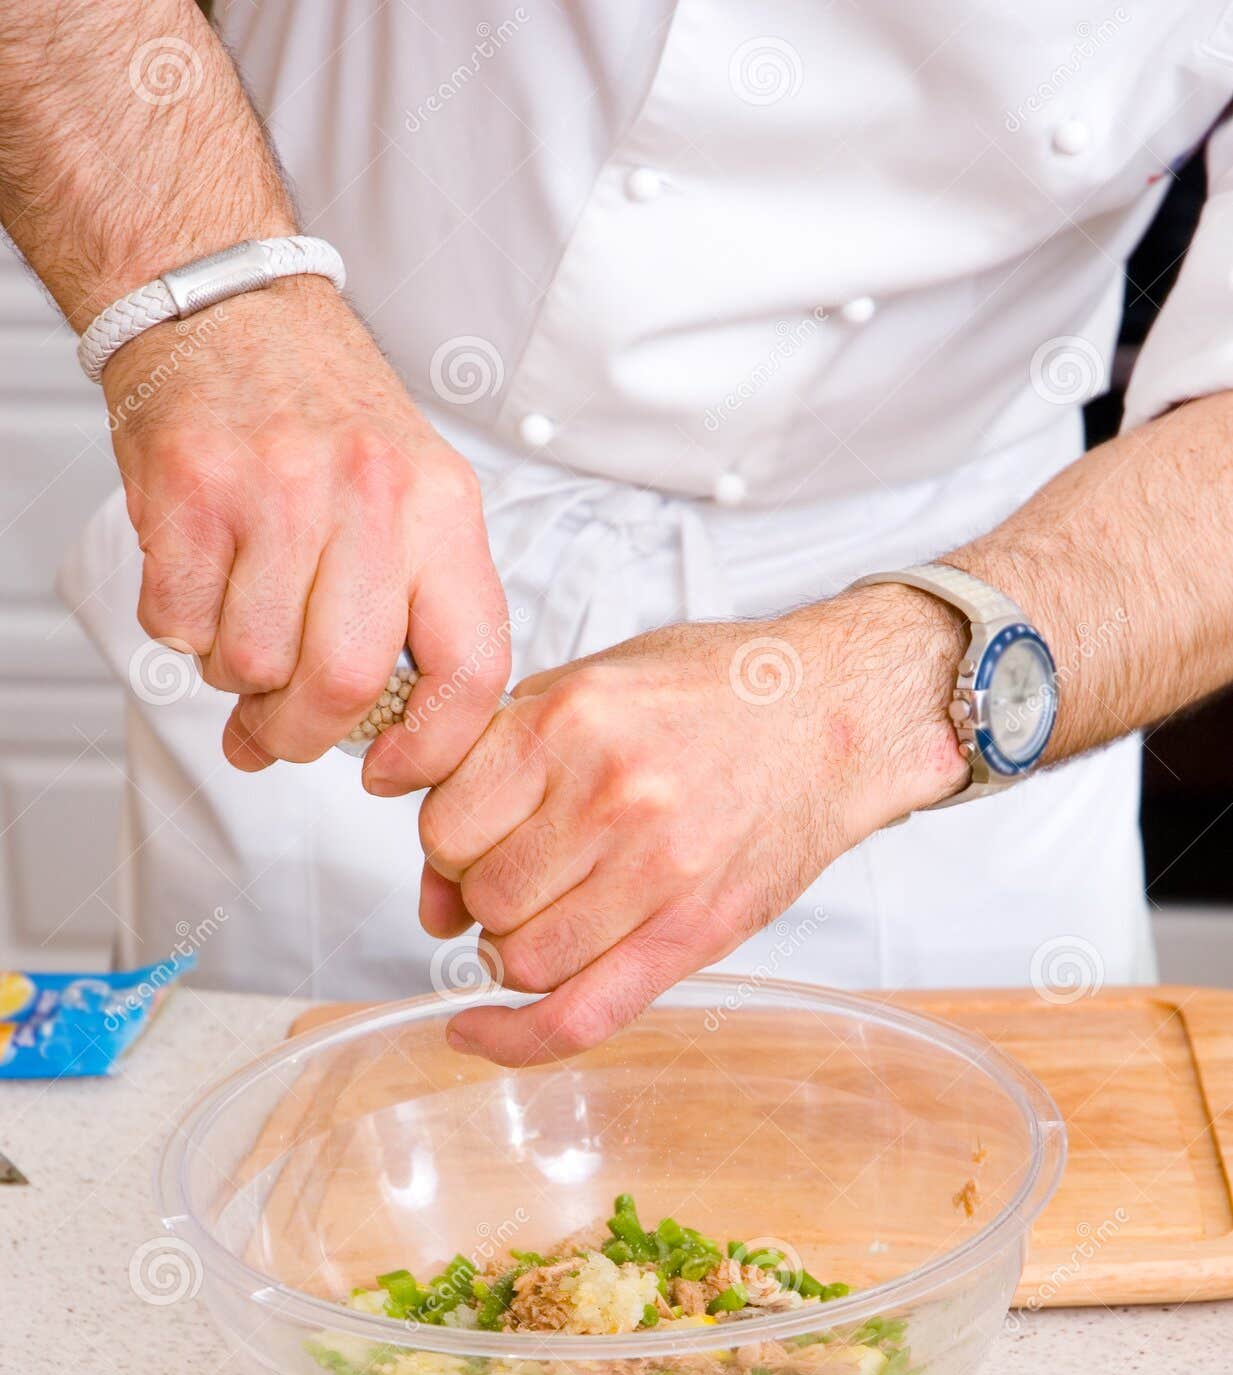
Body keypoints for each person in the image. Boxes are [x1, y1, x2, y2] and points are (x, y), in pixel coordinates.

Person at [3, 1, 1231, 1065]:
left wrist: (866, 710)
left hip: (959, 628)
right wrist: (215, 313)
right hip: (344, 548)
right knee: (257, 1237)